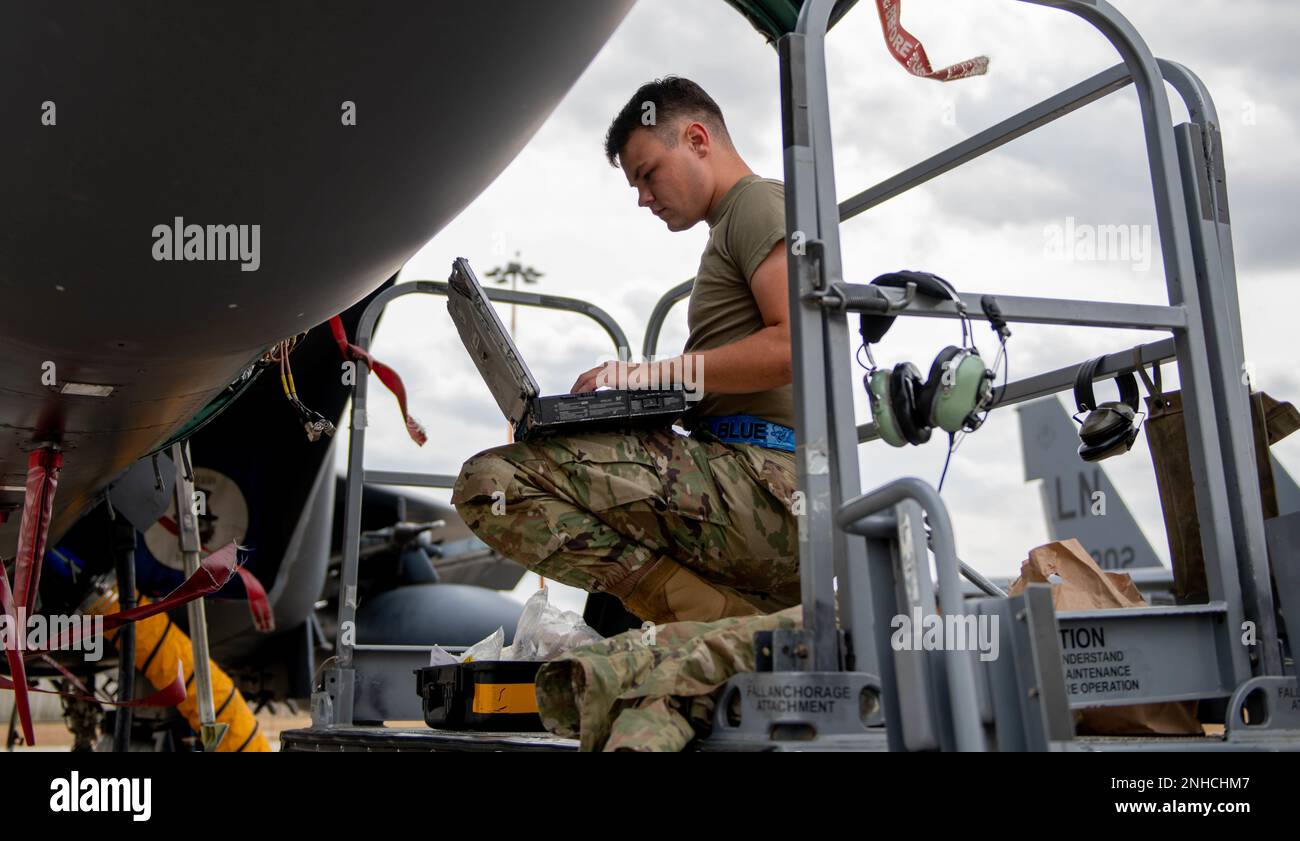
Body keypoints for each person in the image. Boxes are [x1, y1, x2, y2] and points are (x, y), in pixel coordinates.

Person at [451, 76, 799, 625]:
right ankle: (700, 621)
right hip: (745, 475)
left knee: (493, 483)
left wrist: (651, 375)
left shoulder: (758, 204)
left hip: (772, 485)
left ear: (697, 139)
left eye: (648, 174)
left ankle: (717, 621)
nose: (643, 198)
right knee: (598, 589)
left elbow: (794, 348)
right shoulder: (731, 226)